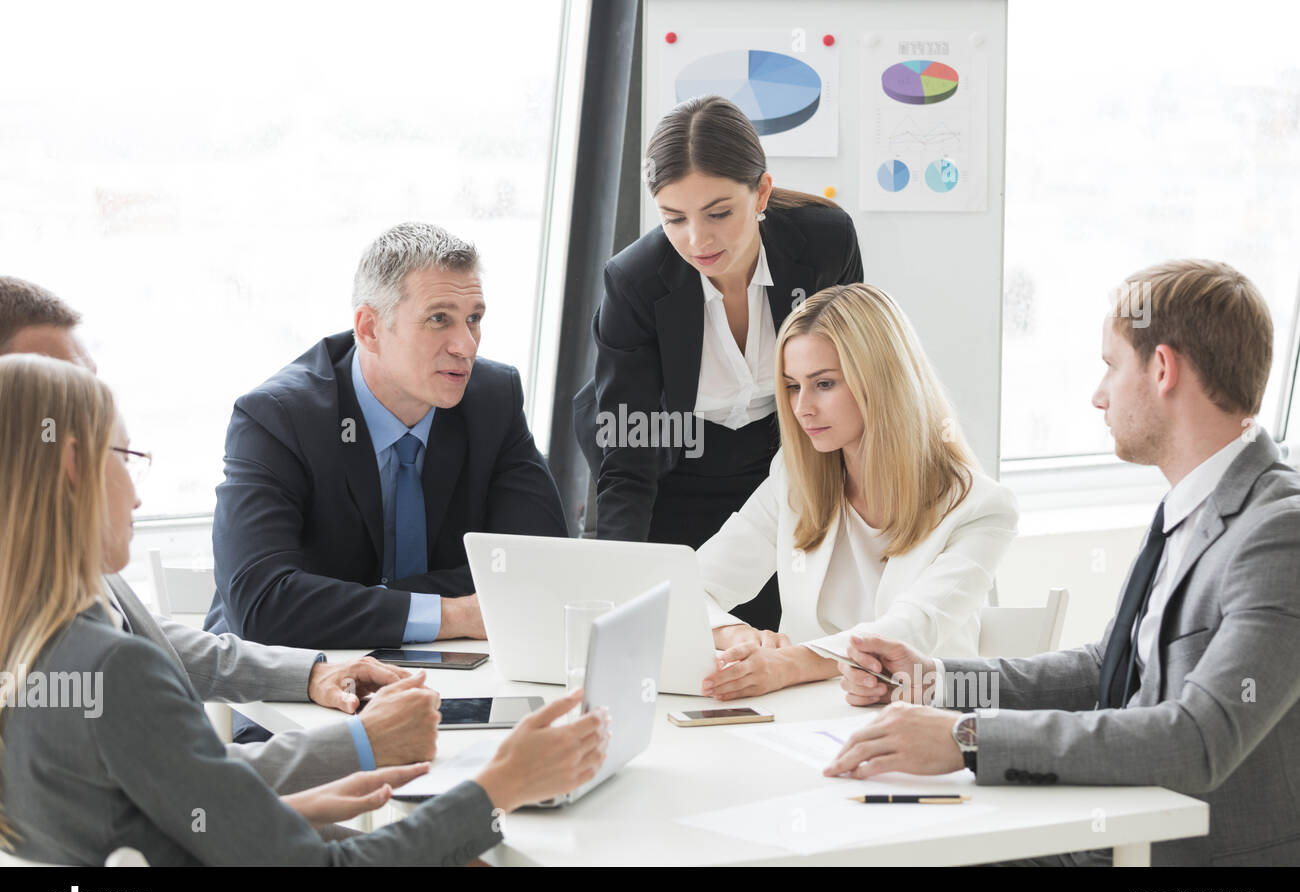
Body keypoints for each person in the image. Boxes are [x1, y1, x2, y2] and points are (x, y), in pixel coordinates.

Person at [0, 354, 609, 865]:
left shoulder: (34, 645)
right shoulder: (117, 671)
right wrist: (500, 786)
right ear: (75, 465)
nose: (137, 492)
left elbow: (145, 827)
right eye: (125, 458)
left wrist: (292, 811)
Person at [826, 260, 1300, 866]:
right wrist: (938, 681)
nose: (1098, 394)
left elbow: (1197, 739)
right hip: (1107, 830)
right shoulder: (1190, 503)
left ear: (1162, 370)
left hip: (1192, 876)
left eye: (1110, 365)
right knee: (881, 838)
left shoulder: (1277, 531)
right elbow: (1109, 669)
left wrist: (965, 739)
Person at [0, 275, 444, 792]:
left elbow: (143, 632)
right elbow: (192, 792)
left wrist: (309, 674)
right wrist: (367, 744)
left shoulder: (43, 543)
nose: (91, 405)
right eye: (59, 383)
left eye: (91, 381)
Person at [205, 222, 568, 651]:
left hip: (446, 668)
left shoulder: (492, 399)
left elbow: (543, 569)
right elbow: (263, 606)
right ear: (369, 329)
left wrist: (346, 598)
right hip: (292, 679)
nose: (466, 345)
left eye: (473, 319)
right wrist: (455, 613)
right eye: (439, 319)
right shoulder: (278, 419)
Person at [573, 95, 864, 631]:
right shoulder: (634, 282)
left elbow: (854, 379)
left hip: (785, 468)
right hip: (674, 472)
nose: (697, 240)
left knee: (794, 637)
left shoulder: (825, 240)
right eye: (674, 219)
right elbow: (630, 456)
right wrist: (615, 585)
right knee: (673, 632)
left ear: (762, 193)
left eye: (719, 213)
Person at [692, 283, 1019, 701]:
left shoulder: (981, 508)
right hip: (802, 720)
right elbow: (691, 586)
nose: (802, 407)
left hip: (920, 726)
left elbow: (908, 628)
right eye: (792, 386)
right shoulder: (792, 479)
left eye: (824, 384)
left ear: (883, 382)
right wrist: (736, 633)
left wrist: (790, 664)